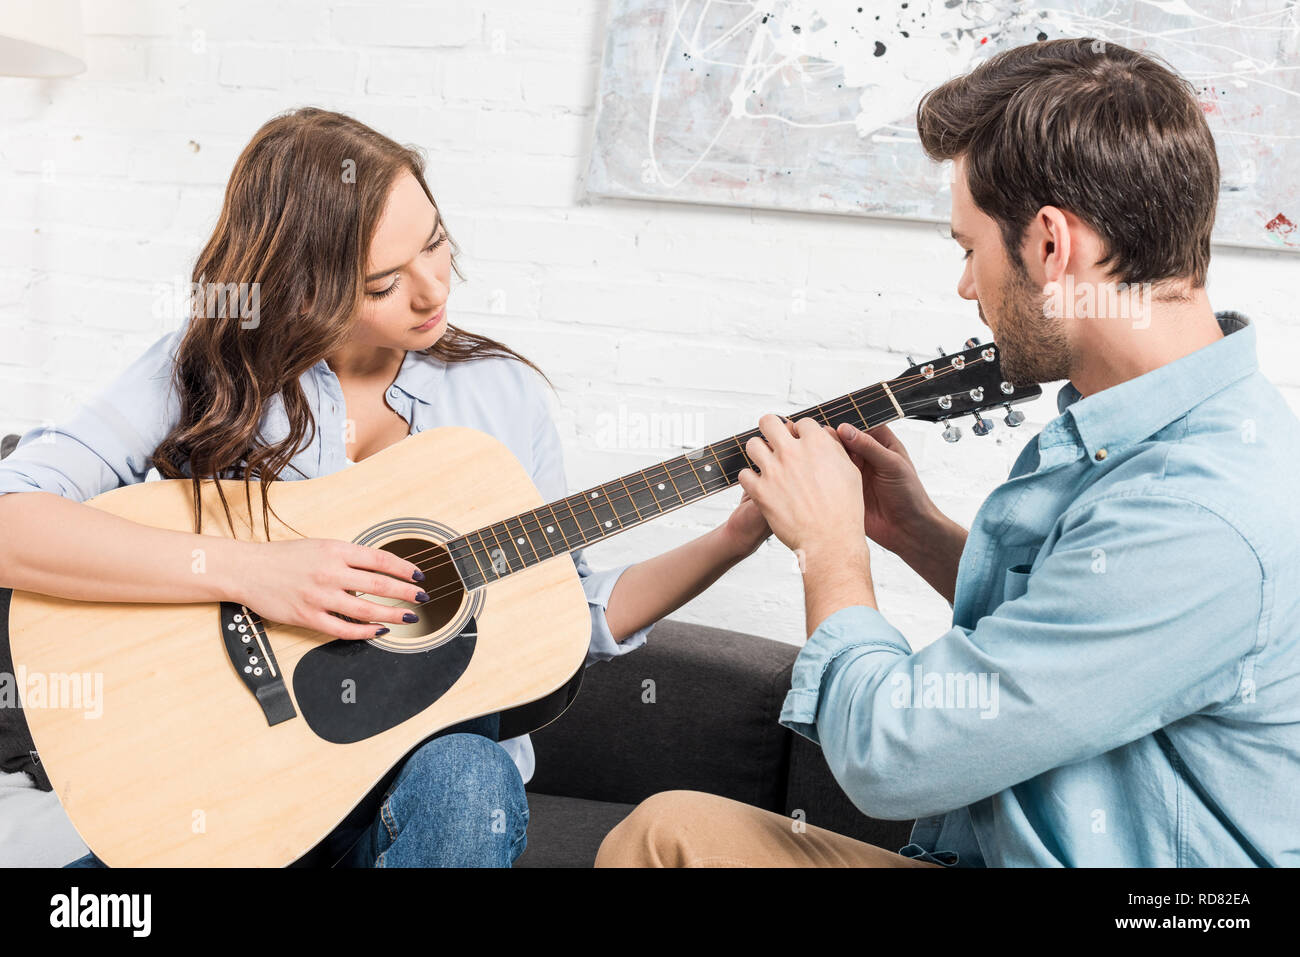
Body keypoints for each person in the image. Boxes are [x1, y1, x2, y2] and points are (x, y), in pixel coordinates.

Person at [0, 107, 772, 868]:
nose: (433, 290)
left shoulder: (502, 397)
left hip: (425, 790)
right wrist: (253, 572)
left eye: (436, 241)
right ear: (299, 288)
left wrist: (733, 538)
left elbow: (567, 608)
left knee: (471, 775)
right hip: (241, 784)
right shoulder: (206, 367)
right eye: (382, 283)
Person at [597, 37, 1300, 868]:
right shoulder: (1156, 430)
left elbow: (895, 759)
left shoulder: (1199, 515)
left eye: (969, 249)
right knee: (671, 833)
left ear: (1049, 246)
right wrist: (915, 530)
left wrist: (831, 551)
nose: (967, 287)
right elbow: (1073, 625)